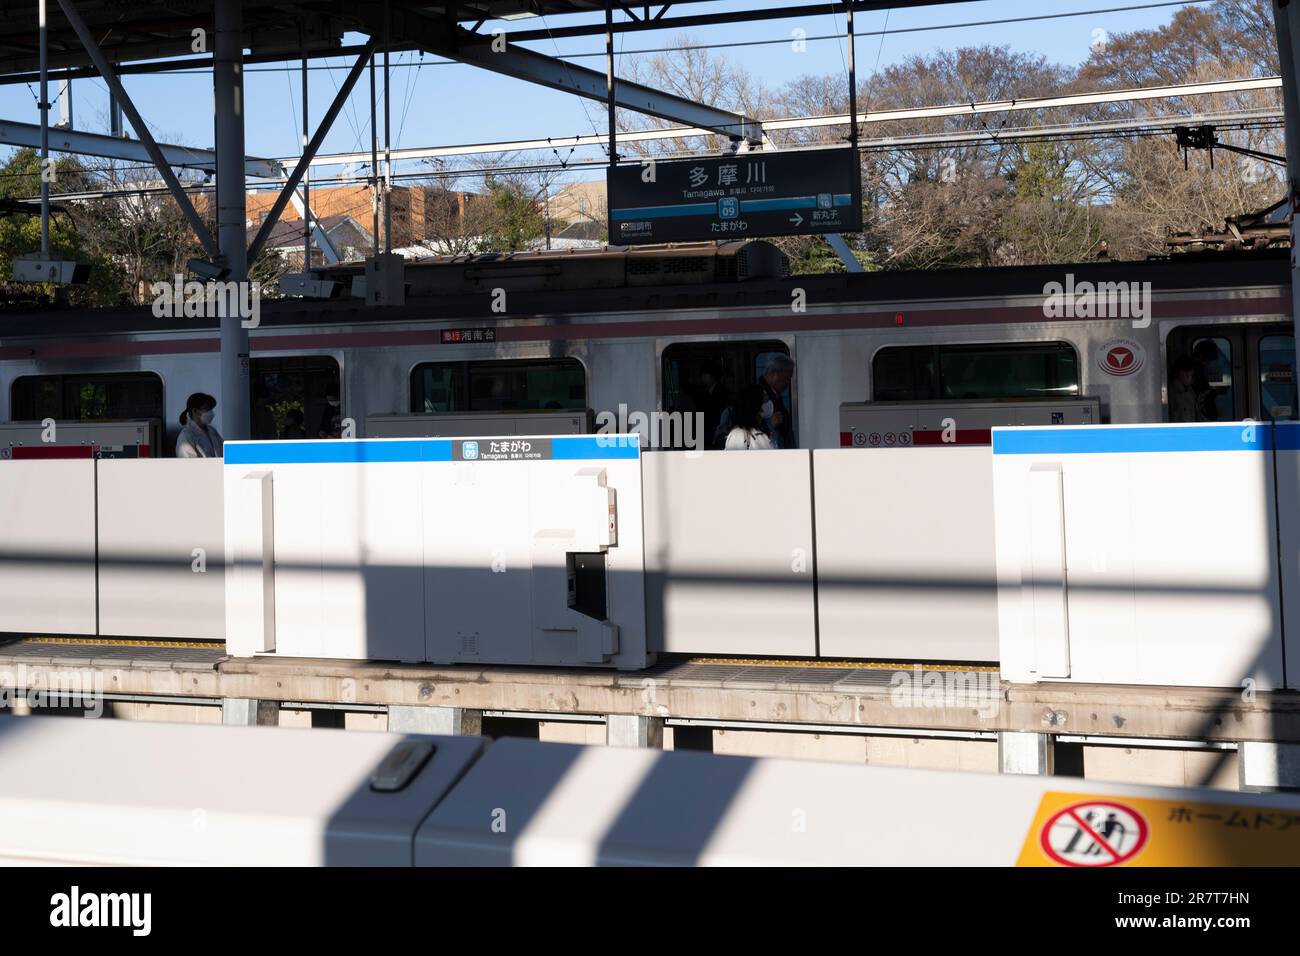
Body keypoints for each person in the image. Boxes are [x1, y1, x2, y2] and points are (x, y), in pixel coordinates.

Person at [758, 353, 796, 448]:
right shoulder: (758, 395)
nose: (788, 383)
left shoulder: (775, 396)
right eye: (785, 378)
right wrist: (770, 424)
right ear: (773, 373)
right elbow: (751, 426)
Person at [724, 384, 774, 450]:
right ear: (755, 404)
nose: (768, 402)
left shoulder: (762, 433)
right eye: (764, 398)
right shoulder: (738, 434)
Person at [175, 392, 223, 458]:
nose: (211, 412)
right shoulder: (186, 436)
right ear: (195, 411)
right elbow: (190, 463)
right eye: (207, 408)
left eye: (211, 409)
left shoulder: (212, 430)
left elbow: (224, 451)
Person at [1169, 357, 1203, 422]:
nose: (1193, 379)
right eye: (1192, 375)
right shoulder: (1173, 394)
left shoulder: (1189, 390)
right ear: (1183, 374)